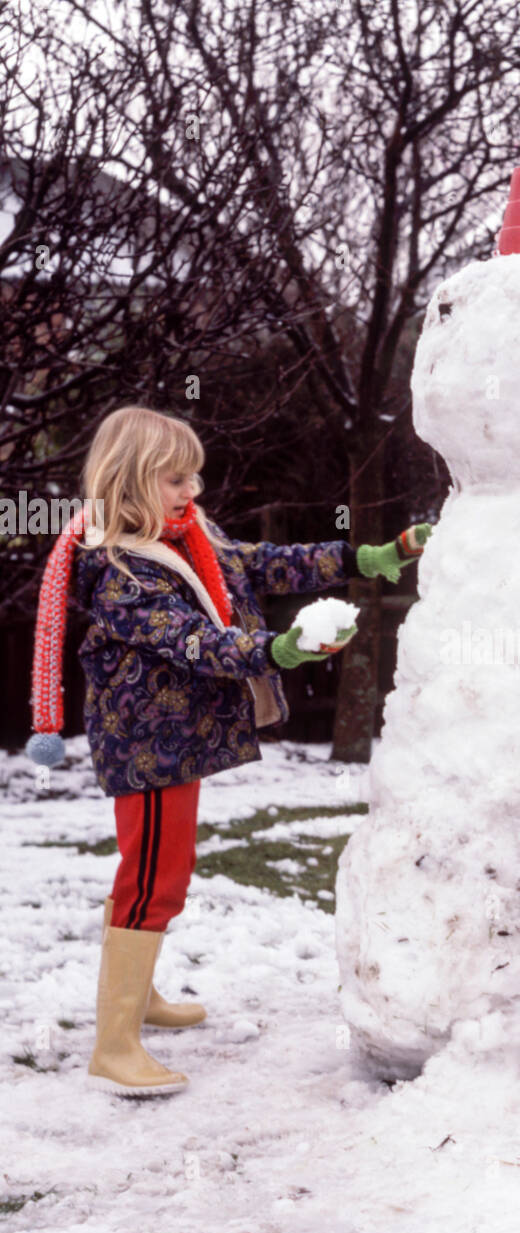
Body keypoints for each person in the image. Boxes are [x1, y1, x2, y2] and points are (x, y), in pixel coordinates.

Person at [26, 405, 430, 1097]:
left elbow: (262, 563)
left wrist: (368, 557)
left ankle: (139, 996)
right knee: (155, 876)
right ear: (129, 481)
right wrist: (276, 650)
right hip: (148, 748)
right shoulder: (121, 568)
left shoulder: (188, 539)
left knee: (154, 871)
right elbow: (190, 641)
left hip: (173, 743)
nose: (193, 492)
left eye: (196, 478)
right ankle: (114, 1045)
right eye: (176, 478)